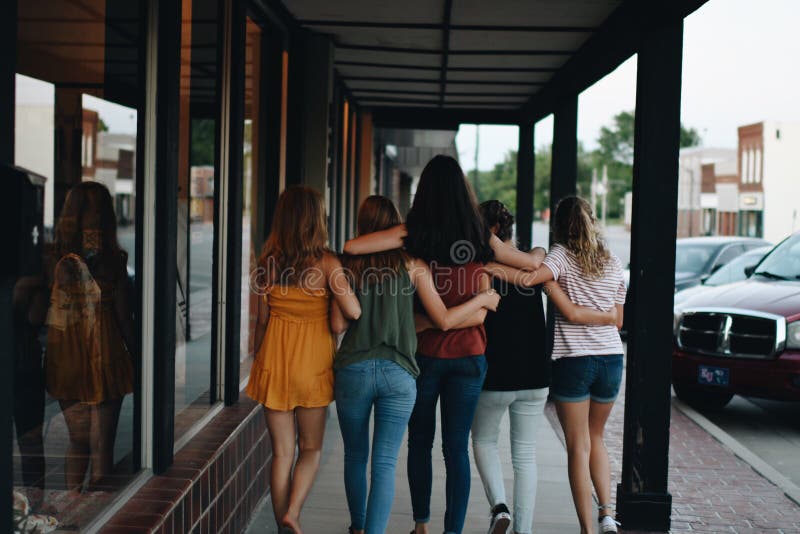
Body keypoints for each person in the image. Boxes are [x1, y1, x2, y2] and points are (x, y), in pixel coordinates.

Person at [344, 155, 506, 534]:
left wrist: (432, 321)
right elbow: (483, 312)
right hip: (469, 355)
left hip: (425, 355)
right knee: (456, 448)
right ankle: (453, 531)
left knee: (420, 443)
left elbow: (352, 247)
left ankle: (420, 525)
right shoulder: (478, 241)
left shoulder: (415, 238)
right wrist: (479, 301)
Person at [470, 200, 618, 534]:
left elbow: (523, 284)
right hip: (539, 374)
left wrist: (489, 265)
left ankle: (500, 507)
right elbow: (531, 273)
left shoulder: (485, 268)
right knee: (527, 454)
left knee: (484, 440)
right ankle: (531, 528)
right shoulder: (550, 259)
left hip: (499, 373)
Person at [246, 186, 362, 534]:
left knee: (282, 454)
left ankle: (283, 524)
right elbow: (353, 311)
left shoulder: (267, 263)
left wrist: (257, 359)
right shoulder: (328, 264)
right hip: (312, 365)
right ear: (317, 221)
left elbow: (261, 321)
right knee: (310, 448)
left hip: (275, 360)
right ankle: (293, 513)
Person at [523, 196, 626, 534]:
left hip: (574, 361)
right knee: (596, 437)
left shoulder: (560, 255)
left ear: (558, 226)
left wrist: (549, 283)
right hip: (611, 360)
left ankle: (586, 529)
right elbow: (618, 321)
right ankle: (607, 515)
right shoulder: (613, 261)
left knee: (577, 446)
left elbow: (530, 278)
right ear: (592, 222)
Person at [44, 181, 135, 492]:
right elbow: (123, 317)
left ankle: (73, 506)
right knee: (101, 446)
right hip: (105, 351)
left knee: (78, 441)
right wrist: (138, 355)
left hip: (65, 354)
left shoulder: (55, 257)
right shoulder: (113, 261)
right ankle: (97, 508)